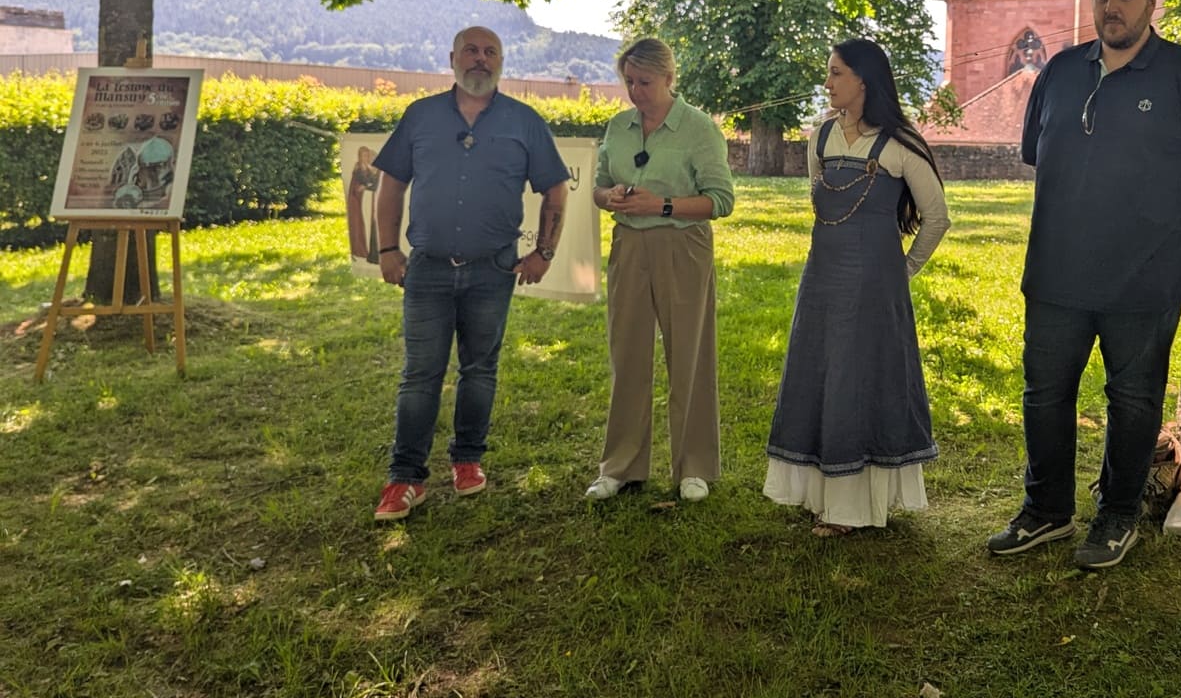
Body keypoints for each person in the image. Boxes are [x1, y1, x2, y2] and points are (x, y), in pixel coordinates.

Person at [988, 0, 1181, 568]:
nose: (1111, 7)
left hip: (1146, 279)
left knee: (1133, 402)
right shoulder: (1060, 73)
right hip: (1056, 273)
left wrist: (1160, 230)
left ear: (1151, 2)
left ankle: (1117, 515)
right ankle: (1045, 511)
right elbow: (1039, 156)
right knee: (1044, 394)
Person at [371, 26, 570, 521]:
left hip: (493, 270)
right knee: (420, 374)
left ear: (501, 62)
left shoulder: (525, 122)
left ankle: (468, 461)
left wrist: (544, 251)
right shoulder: (420, 116)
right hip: (428, 271)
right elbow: (391, 185)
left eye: (490, 52)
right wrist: (388, 249)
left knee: (479, 370)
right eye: (471, 51)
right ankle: (405, 478)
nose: (480, 60)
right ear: (452, 58)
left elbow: (557, 190)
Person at [764, 39, 951, 536]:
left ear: (863, 80)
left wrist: (902, 270)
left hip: (874, 289)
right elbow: (819, 197)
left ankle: (852, 507)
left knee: (858, 380)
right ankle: (819, 492)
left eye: (835, 73)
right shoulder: (820, 138)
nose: (827, 83)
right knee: (822, 376)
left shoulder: (899, 145)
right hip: (822, 280)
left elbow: (936, 218)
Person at [587, 38, 736, 502]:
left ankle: (693, 466)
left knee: (689, 354)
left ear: (670, 78)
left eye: (645, 82)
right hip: (629, 245)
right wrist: (607, 197)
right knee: (627, 354)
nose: (635, 91)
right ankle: (621, 466)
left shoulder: (698, 129)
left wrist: (665, 203)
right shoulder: (618, 126)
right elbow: (597, 185)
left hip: (682, 246)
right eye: (629, 82)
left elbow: (721, 200)